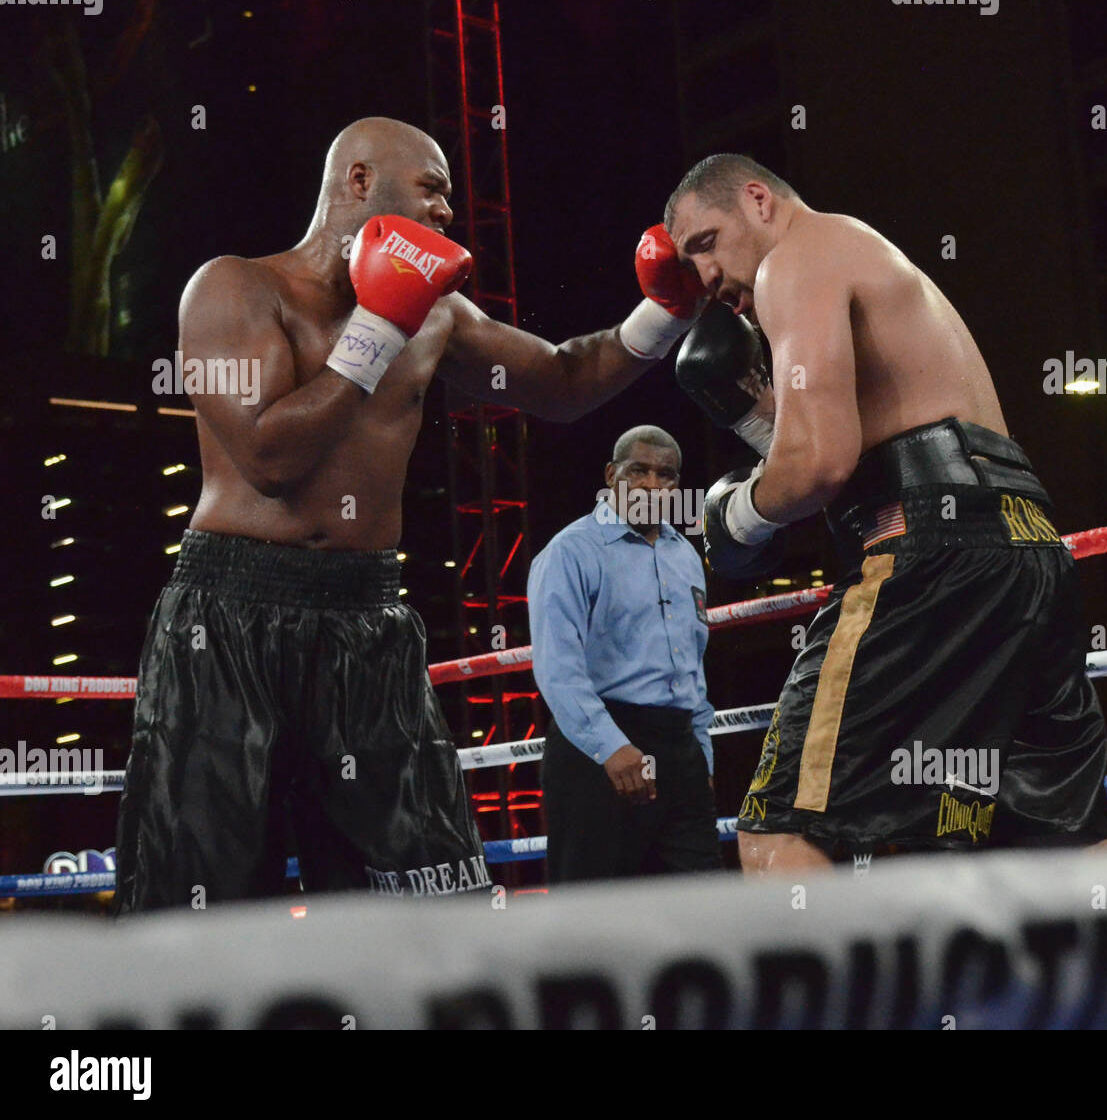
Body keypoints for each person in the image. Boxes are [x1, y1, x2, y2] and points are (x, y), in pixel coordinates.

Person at [113, 117, 708, 911]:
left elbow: (561, 382)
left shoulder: (436, 317)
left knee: (435, 892)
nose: (448, 214)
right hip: (227, 621)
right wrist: (376, 327)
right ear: (359, 181)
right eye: (432, 189)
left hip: (366, 623)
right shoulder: (234, 289)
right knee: (197, 898)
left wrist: (663, 310)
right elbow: (269, 458)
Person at [664, 154, 1107, 872]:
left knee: (780, 832)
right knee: (1061, 845)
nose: (707, 279)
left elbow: (818, 462)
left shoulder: (798, 256)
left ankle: (836, 993)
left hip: (934, 555)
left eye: (705, 243)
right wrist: (756, 416)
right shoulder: (858, 251)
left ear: (758, 200)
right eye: (690, 268)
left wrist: (733, 515)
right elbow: (850, 436)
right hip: (1026, 549)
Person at [527, 427, 721, 883]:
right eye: (639, 471)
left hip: (680, 748)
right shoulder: (571, 552)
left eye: (666, 474)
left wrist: (702, 757)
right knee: (596, 919)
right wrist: (611, 747)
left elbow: (692, 664)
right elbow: (558, 668)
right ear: (611, 475)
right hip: (600, 746)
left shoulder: (686, 556)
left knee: (703, 905)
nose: (653, 485)